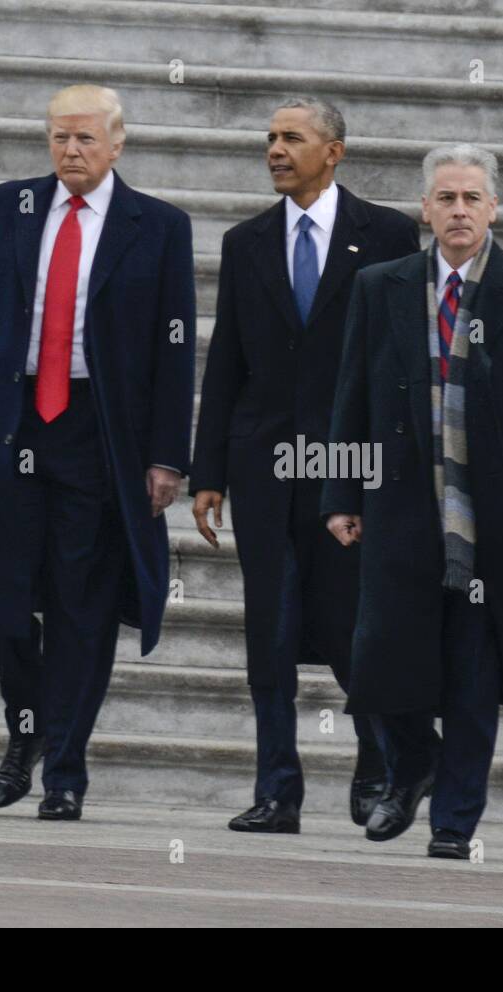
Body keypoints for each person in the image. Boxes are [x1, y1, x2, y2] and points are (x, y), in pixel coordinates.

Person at [0, 85, 195, 821]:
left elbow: (175, 352)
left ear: (117, 144)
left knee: (83, 608)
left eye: (85, 139)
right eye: (59, 138)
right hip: (16, 418)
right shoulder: (6, 205)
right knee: (0, 603)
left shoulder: (160, 226)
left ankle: (66, 772)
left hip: (99, 430)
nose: (70, 151)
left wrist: (167, 456)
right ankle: (29, 729)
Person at [322, 144, 503, 859]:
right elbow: (350, 394)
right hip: (400, 505)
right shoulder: (381, 285)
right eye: (446, 198)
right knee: (379, 661)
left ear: (494, 207)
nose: (459, 210)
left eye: (472, 198)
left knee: (474, 672)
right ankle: (413, 761)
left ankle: (454, 820)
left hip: (491, 517)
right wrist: (342, 490)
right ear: (426, 209)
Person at [190, 97, 419, 834]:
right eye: (270, 138)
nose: (276, 150)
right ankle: (277, 790)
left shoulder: (384, 232)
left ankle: (379, 766)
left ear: (336, 151)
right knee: (271, 631)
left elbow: (398, 357)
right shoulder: (246, 240)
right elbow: (225, 359)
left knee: (353, 624)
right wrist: (209, 472)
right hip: (262, 460)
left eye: (292, 138)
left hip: (347, 461)